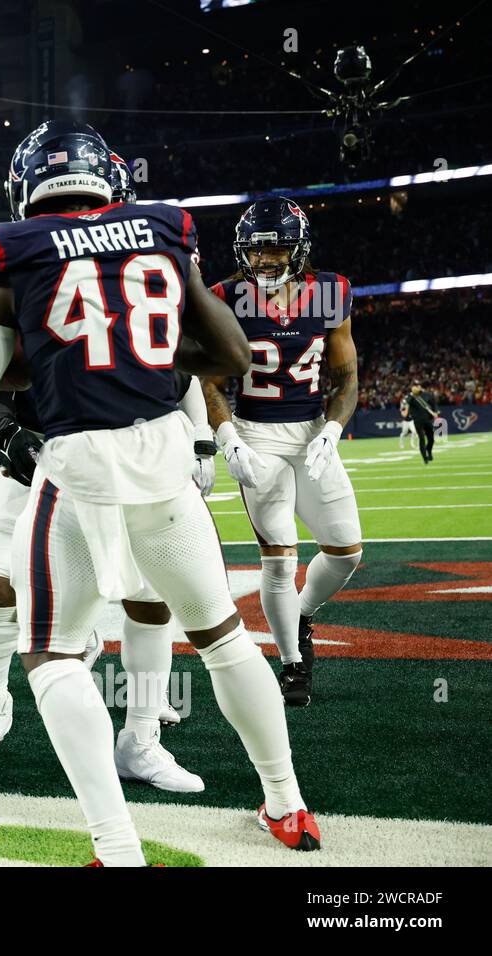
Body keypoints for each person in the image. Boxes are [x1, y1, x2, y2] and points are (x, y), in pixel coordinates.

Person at [0, 120, 319, 862]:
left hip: (77, 464)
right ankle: (288, 805)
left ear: (27, 188)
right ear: (111, 181)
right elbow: (233, 354)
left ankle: (117, 847)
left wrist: (54, 358)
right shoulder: (161, 228)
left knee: (51, 655)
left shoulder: (8, 247)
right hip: (163, 458)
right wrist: (127, 348)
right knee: (221, 636)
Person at [202, 197, 363, 707]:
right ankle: (293, 662)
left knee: (346, 553)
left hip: (310, 430)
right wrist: (226, 440)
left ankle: (302, 614)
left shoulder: (330, 293)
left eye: (277, 248)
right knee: (279, 558)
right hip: (256, 435)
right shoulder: (225, 297)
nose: (267, 260)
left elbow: (347, 378)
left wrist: (332, 429)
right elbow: (209, 381)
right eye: (257, 250)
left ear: (300, 248)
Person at [409, 384, 439, 462]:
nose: (417, 388)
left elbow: (434, 405)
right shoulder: (411, 396)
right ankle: (424, 457)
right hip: (418, 421)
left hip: (427, 419)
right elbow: (409, 401)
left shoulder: (427, 395)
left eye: (418, 386)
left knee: (431, 438)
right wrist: (413, 395)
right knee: (421, 438)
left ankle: (428, 450)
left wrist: (435, 412)